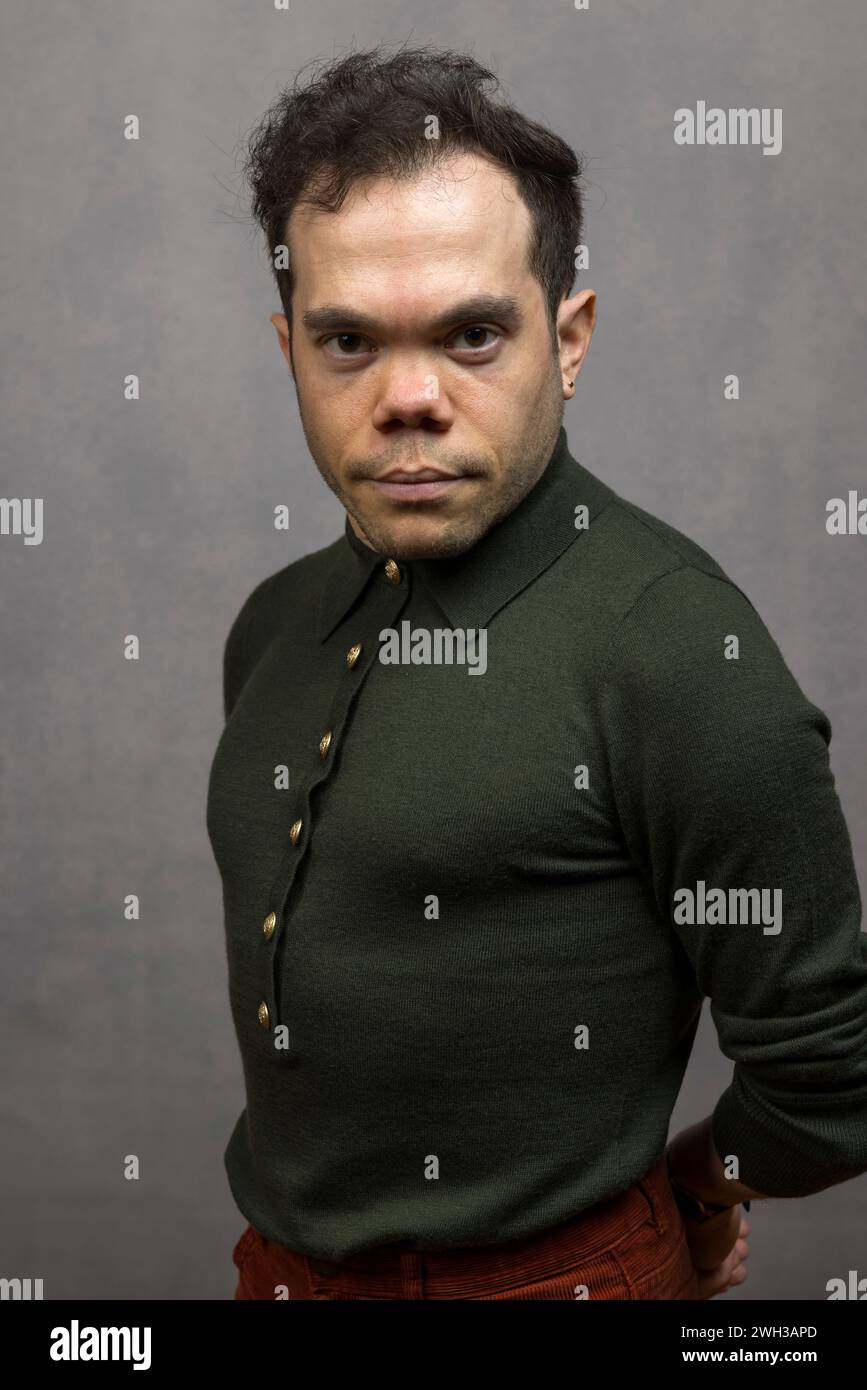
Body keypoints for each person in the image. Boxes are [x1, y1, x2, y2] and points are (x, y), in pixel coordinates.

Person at [206, 45, 867, 1301]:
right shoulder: (272, 624)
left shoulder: (677, 648)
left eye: (471, 335)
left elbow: (836, 1072)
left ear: (568, 338)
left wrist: (687, 1191)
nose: (409, 397)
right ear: (288, 344)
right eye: (348, 340)